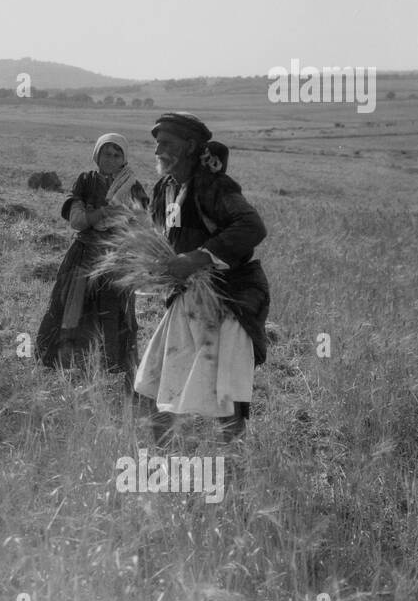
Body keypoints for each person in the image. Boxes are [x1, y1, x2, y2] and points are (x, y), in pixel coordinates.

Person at [133, 113, 271, 442]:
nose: (157, 151)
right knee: (156, 378)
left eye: (166, 143)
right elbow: (164, 236)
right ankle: (161, 460)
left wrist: (198, 257)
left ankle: (234, 467)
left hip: (229, 298)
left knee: (226, 391)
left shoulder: (214, 186)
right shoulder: (165, 188)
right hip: (188, 297)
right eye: (156, 143)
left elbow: (252, 227)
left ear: (191, 146)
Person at [35, 132, 150, 379]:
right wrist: (103, 214)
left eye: (116, 154)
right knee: (73, 306)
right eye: (106, 153)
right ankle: (66, 362)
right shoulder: (85, 181)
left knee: (113, 309)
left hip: (116, 257)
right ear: (96, 155)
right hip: (84, 255)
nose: (110, 158)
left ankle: (110, 365)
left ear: (124, 159)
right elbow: (77, 221)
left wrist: (118, 221)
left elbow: (142, 225)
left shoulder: (133, 186)